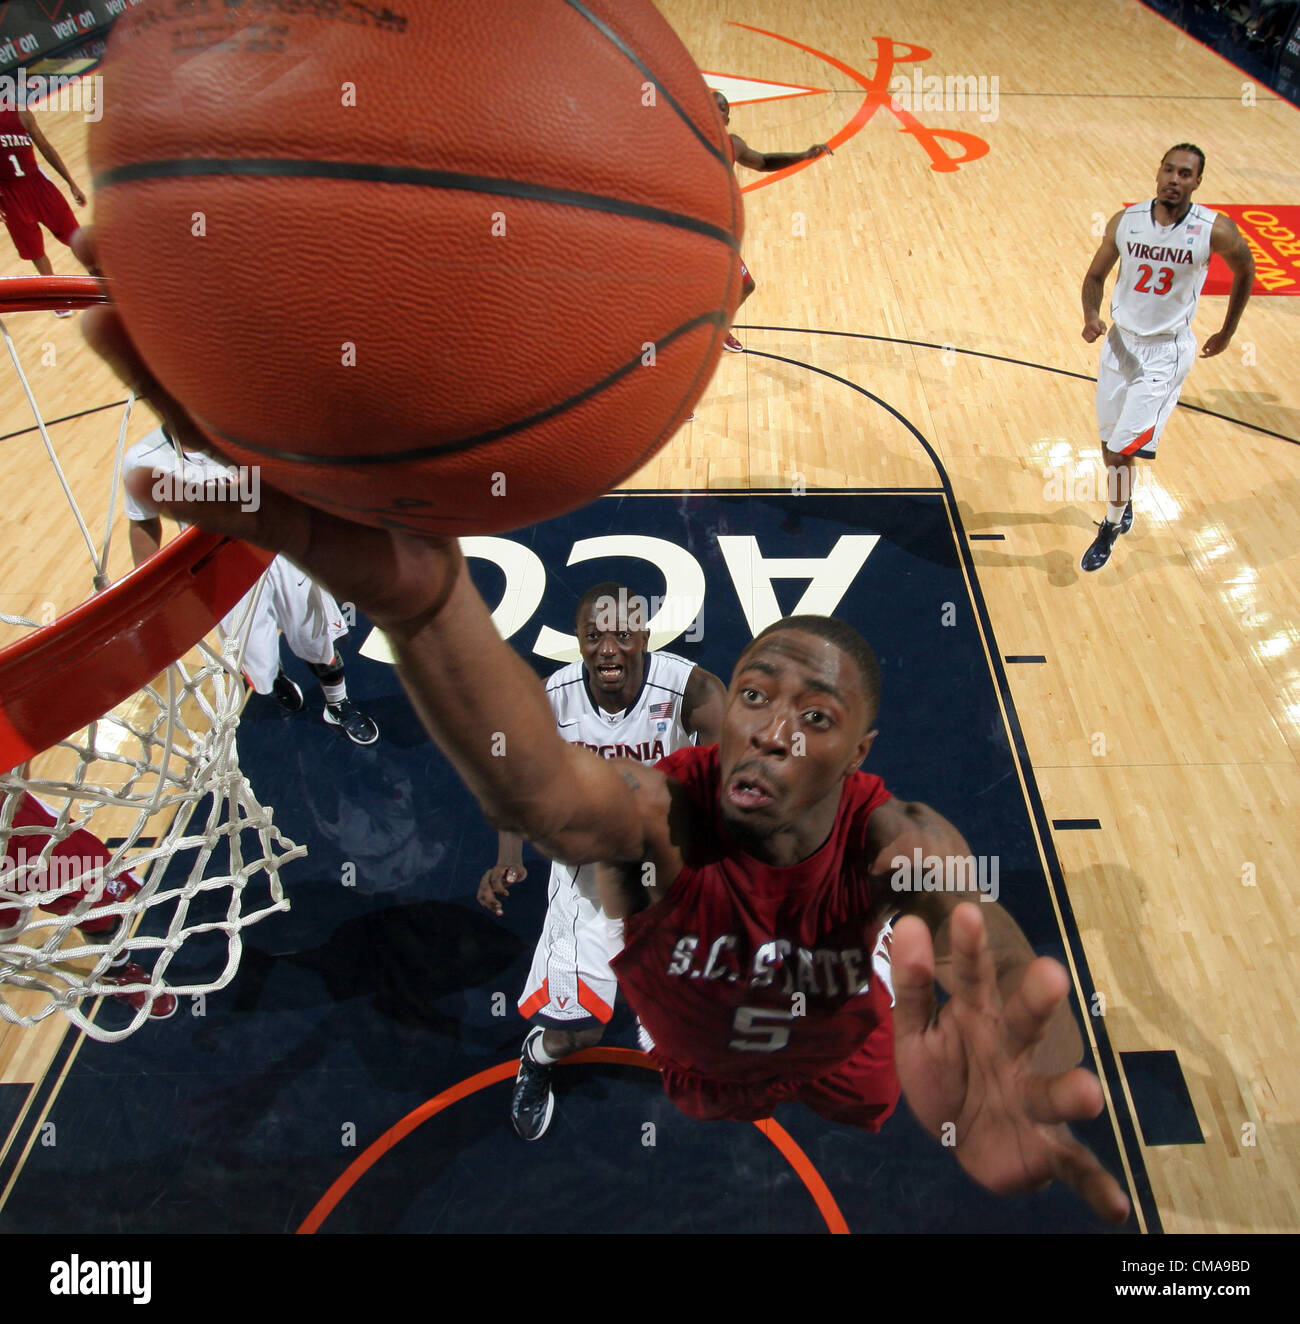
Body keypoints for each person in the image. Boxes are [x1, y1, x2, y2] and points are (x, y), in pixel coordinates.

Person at [81, 230, 1131, 1225]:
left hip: (812, 1053)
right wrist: (428, 608)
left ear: (860, 753)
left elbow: (979, 935)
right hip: (690, 987)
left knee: (819, 1057)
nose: (768, 726)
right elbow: (537, 784)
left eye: (813, 715)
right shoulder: (659, 806)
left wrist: (1020, 1056)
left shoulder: (893, 837)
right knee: (578, 1007)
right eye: (756, 695)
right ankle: (552, 1054)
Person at [476, 582, 725, 1140]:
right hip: (588, 873)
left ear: (644, 636)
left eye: (621, 634)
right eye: (594, 636)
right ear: (578, 641)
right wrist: (508, 858)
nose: (608, 647)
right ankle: (538, 1058)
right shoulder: (550, 701)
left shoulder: (693, 691)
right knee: (579, 1030)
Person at [123, 426, 379, 744]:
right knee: (256, 662)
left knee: (318, 643)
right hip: (221, 572)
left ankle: (337, 704)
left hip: (281, 553)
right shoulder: (142, 459)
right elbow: (143, 518)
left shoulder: (249, 426)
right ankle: (274, 677)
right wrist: (149, 592)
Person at [1078, 143, 1254, 572]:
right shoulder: (1127, 221)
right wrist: (1091, 315)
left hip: (1164, 354)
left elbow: (1245, 270)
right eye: (1169, 170)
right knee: (1108, 445)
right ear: (1158, 173)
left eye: (1186, 174)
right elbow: (1095, 276)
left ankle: (1111, 524)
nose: (1175, 180)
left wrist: (1227, 331)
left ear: (1198, 181)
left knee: (1120, 452)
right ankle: (1124, 499)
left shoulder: (1216, 230)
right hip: (1120, 343)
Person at [712, 90, 831, 352]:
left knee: (745, 286)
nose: (715, 110)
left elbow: (764, 161)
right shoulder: (688, 144)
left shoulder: (734, 145)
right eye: (710, 106)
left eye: (721, 107)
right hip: (691, 232)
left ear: (728, 118)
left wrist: (803, 155)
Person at [0, 103, 87, 313]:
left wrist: (71, 182)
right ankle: (56, 296)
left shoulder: (20, 112)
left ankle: (101, 278)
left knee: (74, 236)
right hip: (9, 195)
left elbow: (45, 148)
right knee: (34, 250)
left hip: (38, 185)